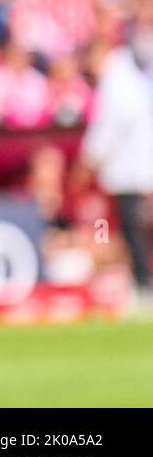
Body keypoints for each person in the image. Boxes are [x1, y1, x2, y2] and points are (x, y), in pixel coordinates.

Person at [80, 35, 153, 305]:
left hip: (128, 170)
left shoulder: (116, 81)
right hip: (133, 167)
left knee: (133, 228)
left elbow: (110, 125)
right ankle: (138, 281)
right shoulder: (128, 79)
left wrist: (90, 157)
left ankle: (142, 283)